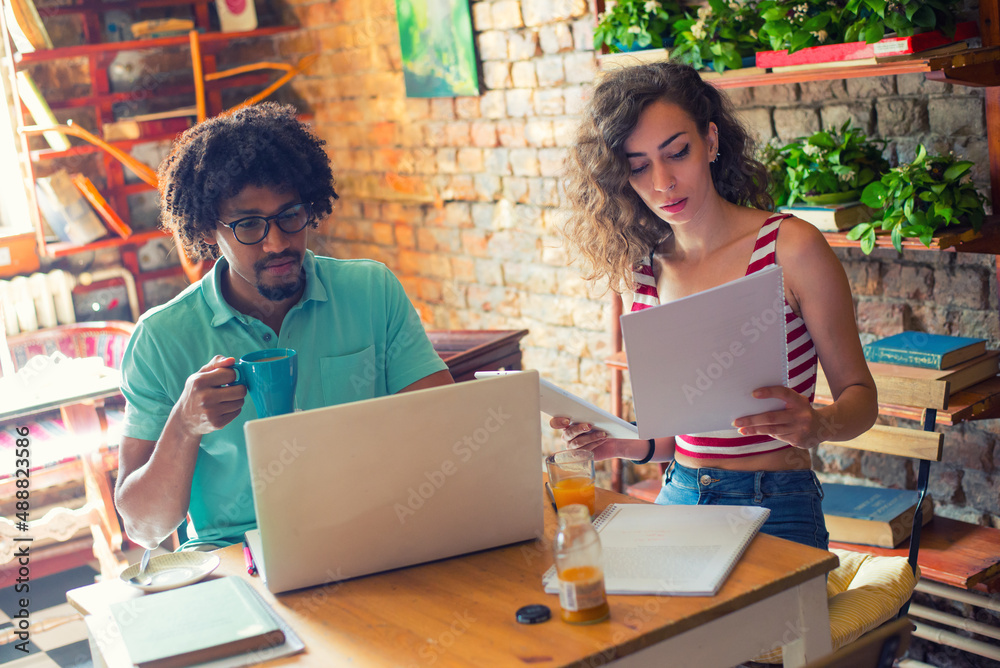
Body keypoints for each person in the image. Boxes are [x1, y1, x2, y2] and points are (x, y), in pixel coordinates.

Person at [556, 62, 878, 550]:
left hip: (775, 502)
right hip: (679, 493)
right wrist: (620, 442)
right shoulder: (641, 269)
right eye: (639, 165)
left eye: (677, 153)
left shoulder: (791, 249)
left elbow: (861, 396)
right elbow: (673, 437)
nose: (662, 181)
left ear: (710, 141)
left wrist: (821, 424)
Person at [114, 103, 453, 550]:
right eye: (249, 224)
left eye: (289, 215)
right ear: (207, 229)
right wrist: (183, 426)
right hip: (236, 558)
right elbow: (144, 528)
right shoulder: (160, 339)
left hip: (372, 534)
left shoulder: (370, 291)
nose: (277, 243)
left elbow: (446, 431)